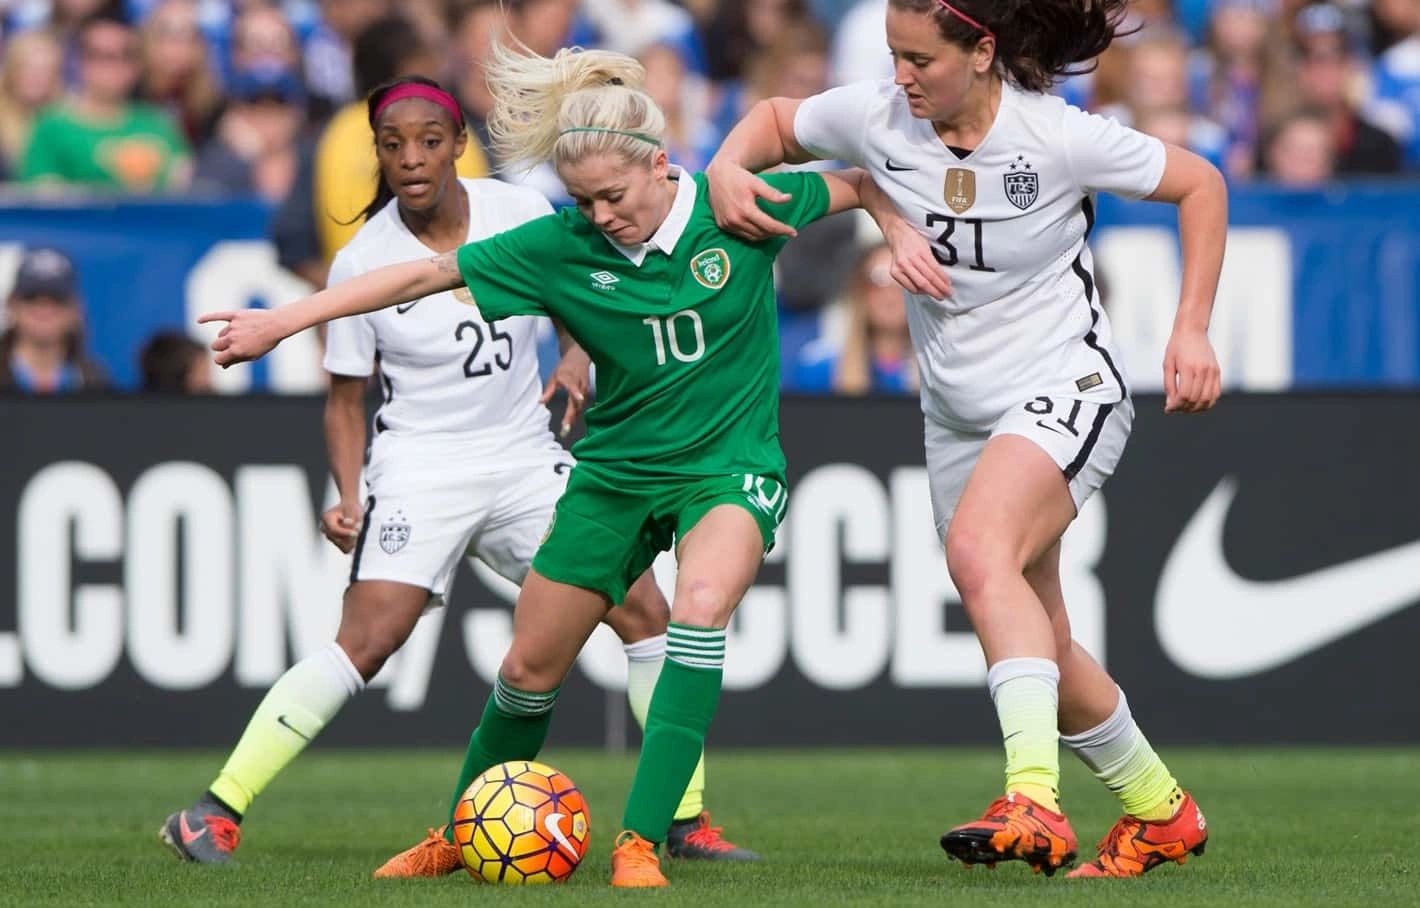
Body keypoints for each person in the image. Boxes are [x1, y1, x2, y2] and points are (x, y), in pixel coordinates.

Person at [198, 43, 876, 888]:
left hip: (726, 463)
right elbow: (420, 275)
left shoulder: (732, 208)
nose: (601, 216)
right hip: (612, 472)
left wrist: (917, 238)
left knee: (692, 610)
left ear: (660, 166)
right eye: (585, 201)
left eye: (614, 197)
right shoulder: (560, 240)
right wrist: (283, 322)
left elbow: (864, 181)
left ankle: (645, 838)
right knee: (526, 670)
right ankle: (455, 831)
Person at [705, 0, 1225, 879]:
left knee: (981, 551)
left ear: (983, 51)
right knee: (1039, 637)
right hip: (954, 412)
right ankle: (1160, 812)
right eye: (893, 57)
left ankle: (1034, 800)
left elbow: (1200, 183)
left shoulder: (1056, 136)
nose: (901, 77)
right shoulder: (878, 115)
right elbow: (771, 124)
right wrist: (724, 164)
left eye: (920, 61)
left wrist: (1191, 329)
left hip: (1066, 382)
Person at [19, 12, 191, 191]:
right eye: (101, 55)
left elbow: (186, 186)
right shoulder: (52, 127)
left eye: (125, 55)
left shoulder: (158, 123)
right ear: (81, 61)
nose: (113, 66)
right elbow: (44, 202)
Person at [790, 242, 917, 394]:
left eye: (903, 281)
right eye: (878, 279)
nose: (890, 296)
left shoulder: (940, 372)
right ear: (859, 291)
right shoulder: (820, 368)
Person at [0, 246, 109, 392]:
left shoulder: (95, 381)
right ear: (12, 305)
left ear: (76, 309)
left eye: (57, 299)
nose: (44, 310)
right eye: (31, 298)